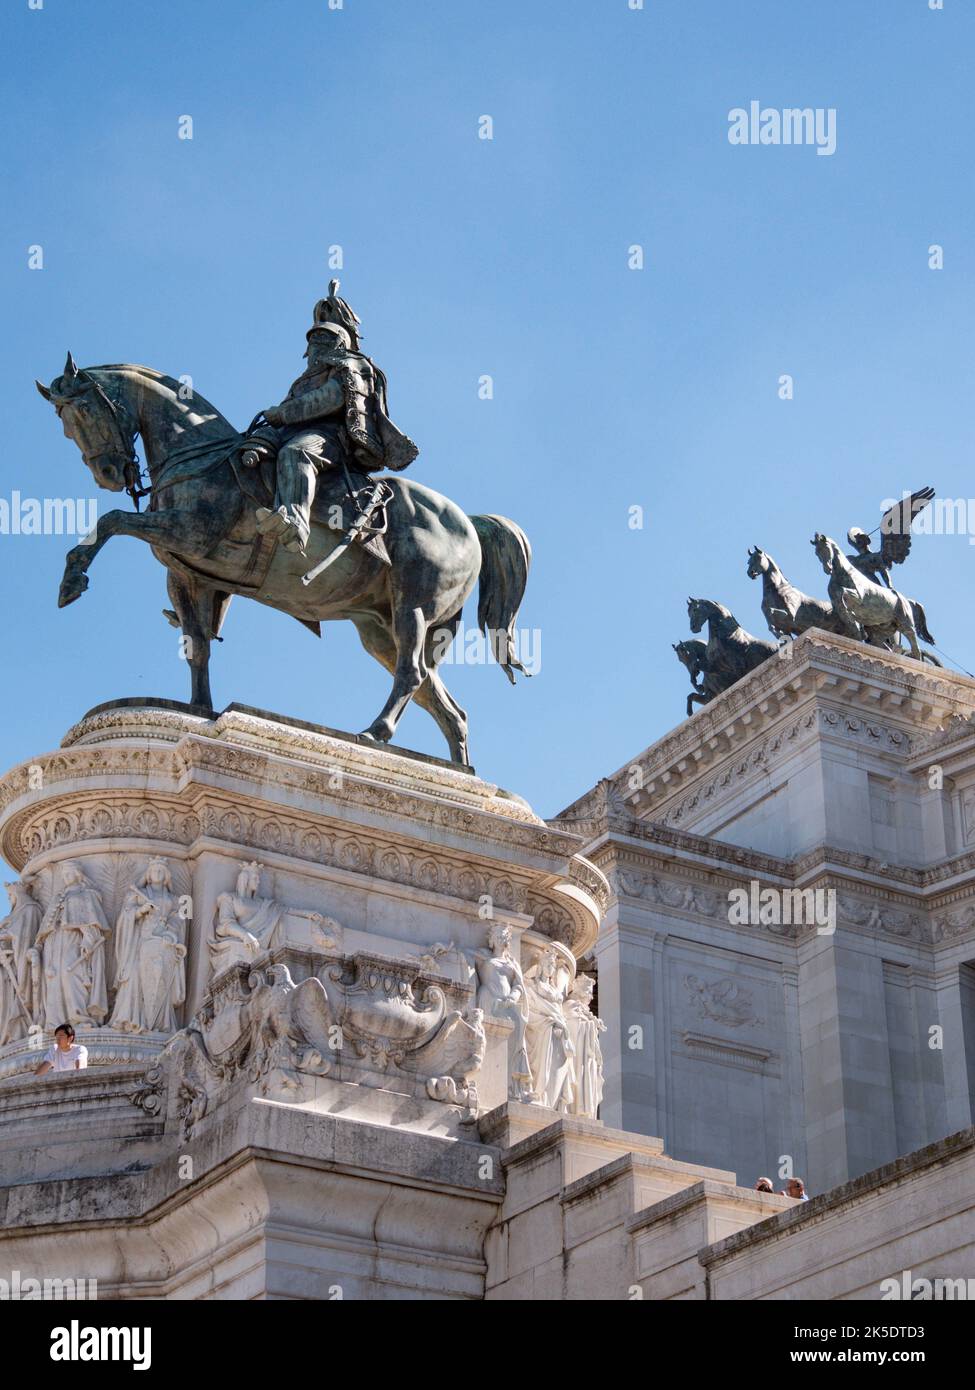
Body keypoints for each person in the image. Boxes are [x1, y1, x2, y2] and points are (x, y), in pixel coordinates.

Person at [244, 281, 418, 555]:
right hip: (292, 431)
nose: (314, 346)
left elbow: (330, 399)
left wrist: (281, 413)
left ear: (336, 343)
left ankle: (294, 522)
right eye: (312, 341)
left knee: (296, 454)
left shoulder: (351, 367)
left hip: (330, 437)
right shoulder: (303, 379)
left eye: (321, 340)